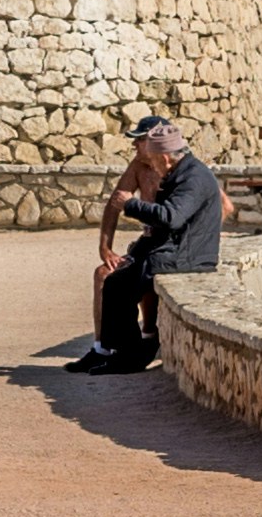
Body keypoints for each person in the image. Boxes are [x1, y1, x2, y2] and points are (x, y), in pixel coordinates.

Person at [68, 112, 231, 370]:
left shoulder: (194, 176)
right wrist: (106, 246)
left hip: (186, 256)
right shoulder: (176, 170)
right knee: (114, 281)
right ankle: (120, 353)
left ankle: (134, 351)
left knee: (126, 280)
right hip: (173, 249)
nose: (150, 165)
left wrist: (132, 205)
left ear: (164, 156)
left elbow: (172, 217)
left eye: (154, 160)